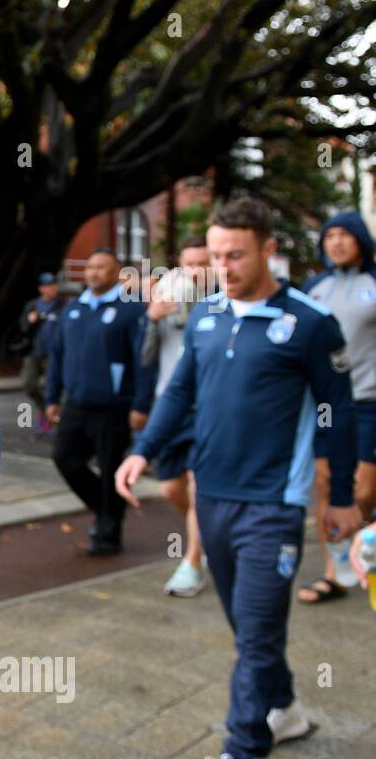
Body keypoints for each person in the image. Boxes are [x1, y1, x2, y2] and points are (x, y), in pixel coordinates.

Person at [117, 197, 359, 759]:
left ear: (267, 249)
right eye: (216, 255)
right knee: (250, 630)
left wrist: (343, 497)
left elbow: (339, 416)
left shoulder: (309, 323)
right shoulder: (207, 318)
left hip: (273, 505)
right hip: (213, 498)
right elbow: (180, 394)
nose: (223, 266)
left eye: (235, 255)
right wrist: (144, 451)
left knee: (253, 634)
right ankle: (285, 709)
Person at [45, 248, 155, 555]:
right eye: (90, 267)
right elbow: (57, 355)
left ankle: (109, 533)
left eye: (101, 268)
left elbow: (144, 361)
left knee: (110, 469)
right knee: (65, 458)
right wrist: (52, 397)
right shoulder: (73, 308)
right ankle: (106, 509)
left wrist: (141, 405)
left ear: (118, 272)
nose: (93, 272)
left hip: (114, 407)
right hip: (76, 404)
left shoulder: (132, 310)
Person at [297, 211, 376, 604]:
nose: (337, 242)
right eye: (331, 235)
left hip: (367, 403)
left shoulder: (373, 284)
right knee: (325, 482)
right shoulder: (313, 287)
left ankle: (366, 549)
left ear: (361, 240)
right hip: (323, 406)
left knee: (363, 488)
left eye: (346, 235)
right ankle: (336, 572)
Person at [142, 236, 214, 597]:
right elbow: (143, 357)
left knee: (199, 486)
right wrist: (151, 319)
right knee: (172, 487)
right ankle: (208, 532)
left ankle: (192, 562)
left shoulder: (227, 305)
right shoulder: (167, 297)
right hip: (170, 405)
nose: (197, 272)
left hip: (210, 409)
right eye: (190, 265)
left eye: (205, 264)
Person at [18, 272, 62, 432]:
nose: (51, 288)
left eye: (53, 285)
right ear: (41, 288)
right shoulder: (33, 305)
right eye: (47, 286)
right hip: (34, 352)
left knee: (48, 385)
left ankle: (50, 417)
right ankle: (46, 411)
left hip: (53, 353)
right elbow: (22, 327)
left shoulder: (61, 305)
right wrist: (29, 321)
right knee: (28, 384)